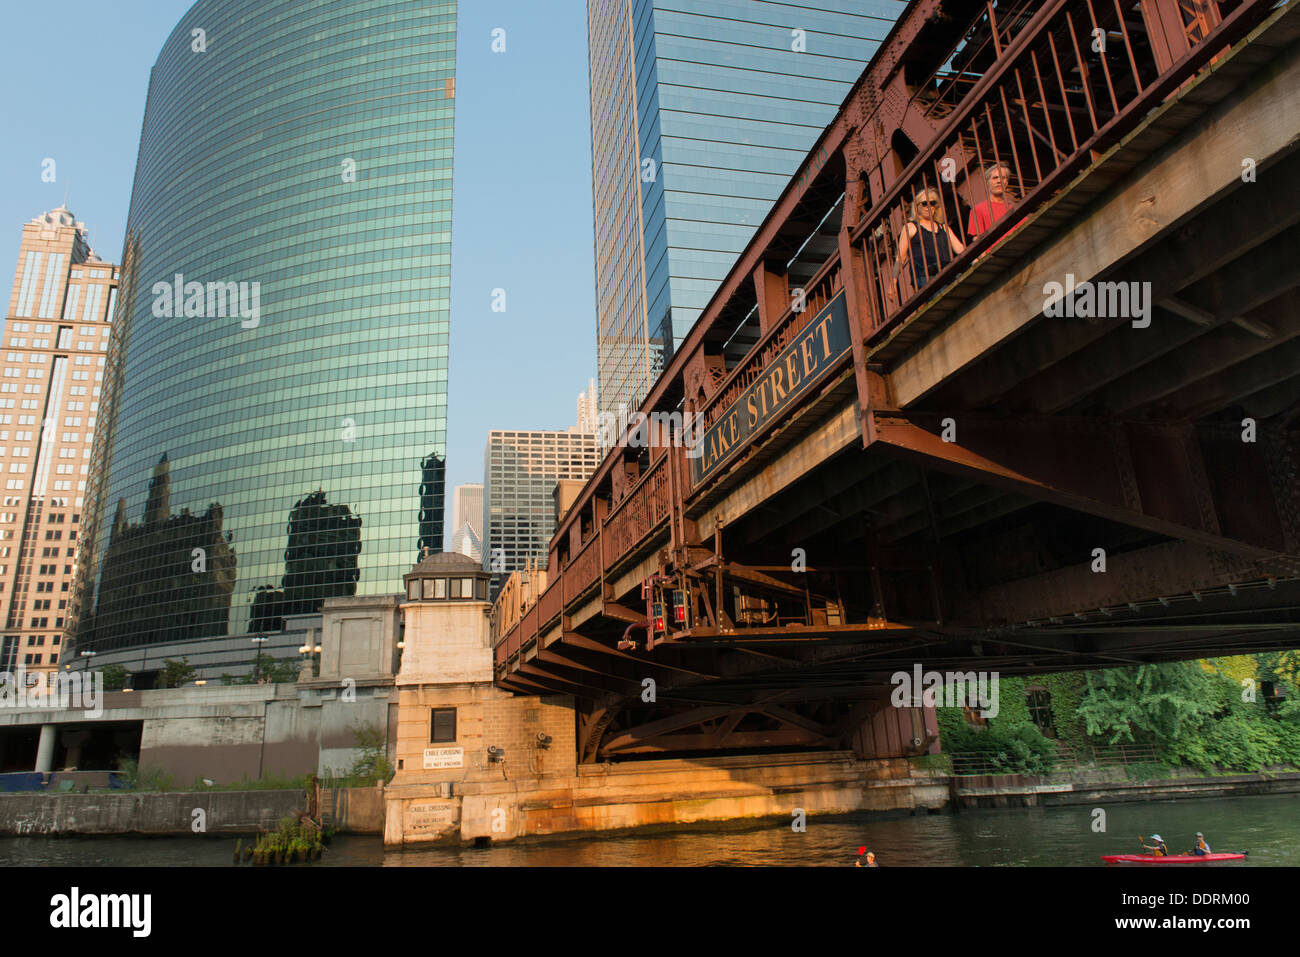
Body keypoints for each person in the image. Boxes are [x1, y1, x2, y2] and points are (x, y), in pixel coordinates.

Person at [893, 188, 965, 294]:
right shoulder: (911, 227)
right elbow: (901, 257)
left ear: (936, 207)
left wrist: (977, 258)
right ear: (917, 207)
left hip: (947, 271)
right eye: (924, 204)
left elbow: (960, 249)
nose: (928, 207)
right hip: (924, 276)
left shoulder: (944, 228)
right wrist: (893, 281)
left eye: (932, 203)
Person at [967, 162, 1016, 239]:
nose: (999, 181)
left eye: (1003, 178)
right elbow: (977, 240)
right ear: (987, 183)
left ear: (1006, 182)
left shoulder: (1013, 208)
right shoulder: (978, 209)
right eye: (995, 178)